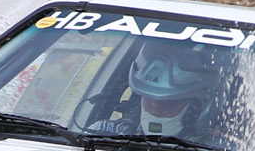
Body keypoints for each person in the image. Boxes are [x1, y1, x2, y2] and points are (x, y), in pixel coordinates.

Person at [85, 38, 226, 139]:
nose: (155, 109)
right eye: (148, 98)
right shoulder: (101, 133)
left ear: (199, 106)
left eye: (169, 103)